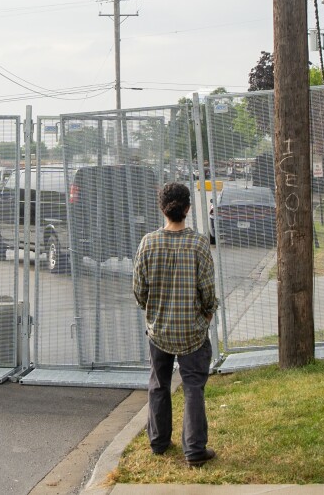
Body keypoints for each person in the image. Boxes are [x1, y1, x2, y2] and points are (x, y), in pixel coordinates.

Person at [132, 182, 218, 467]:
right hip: (192, 331)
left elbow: (139, 291)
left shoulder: (148, 242)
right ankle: (194, 450)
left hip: (159, 332)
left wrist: (153, 313)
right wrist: (207, 315)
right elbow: (207, 291)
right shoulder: (198, 243)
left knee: (159, 384)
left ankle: (158, 442)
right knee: (193, 386)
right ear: (188, 208)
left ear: (162, 208)